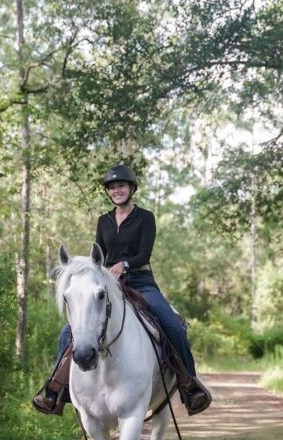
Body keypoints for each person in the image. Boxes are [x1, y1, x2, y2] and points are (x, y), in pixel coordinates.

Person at [32, 163, 212, 415]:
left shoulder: (145, 217)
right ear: (109, 192)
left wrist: (125, 264)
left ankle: (189, 384)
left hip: (141, 281)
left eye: (121, 186)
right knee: (67, 332)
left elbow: (144, 253)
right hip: (110, 285)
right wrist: (101, 273)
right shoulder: (103, 221)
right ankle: (56, 391)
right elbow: (100, 257)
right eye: (112, 187)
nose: (117, 190)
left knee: (172, 326)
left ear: (131, 188)